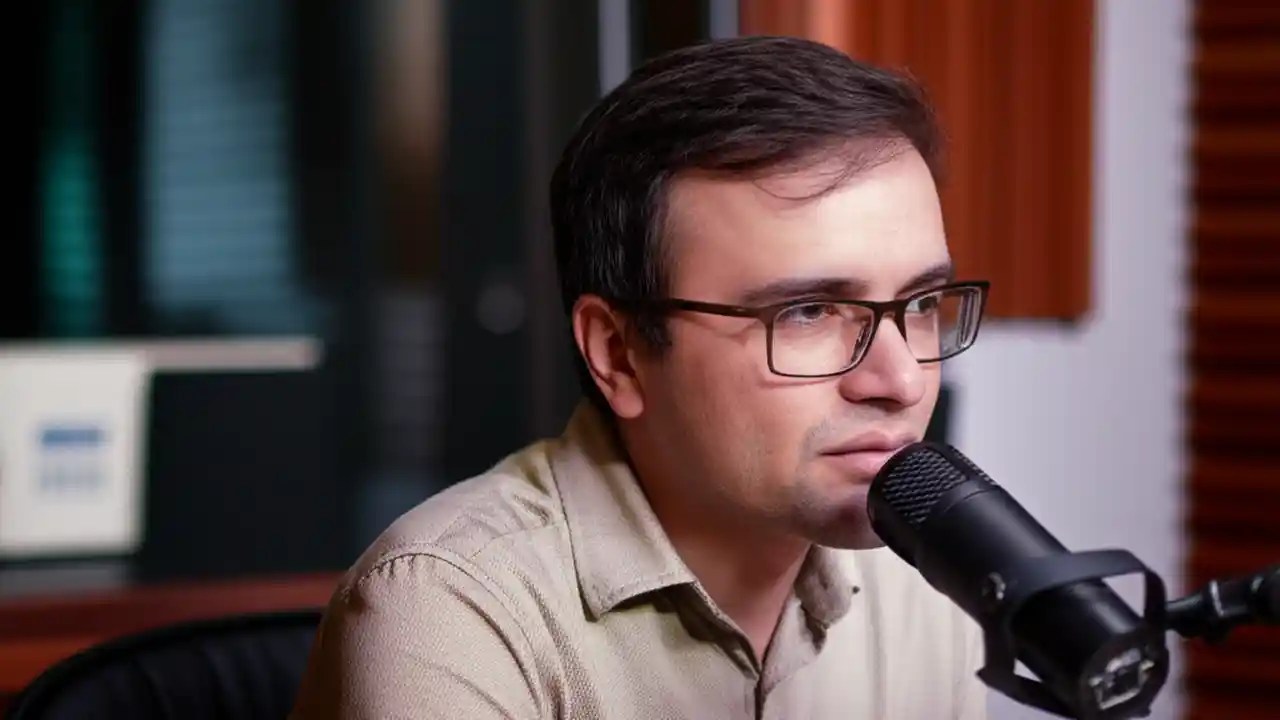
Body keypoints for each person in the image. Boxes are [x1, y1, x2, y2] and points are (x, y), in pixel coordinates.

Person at [292, 35, 990, 719]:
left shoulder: (928, 579)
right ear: (619, 353)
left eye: (922, 305)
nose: (899, 378)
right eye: (808, 312)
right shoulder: (445, 615)